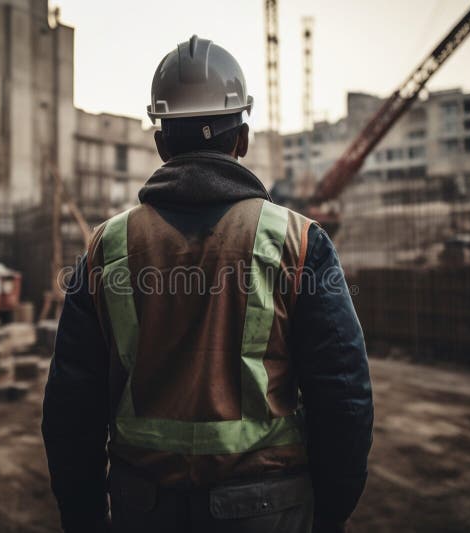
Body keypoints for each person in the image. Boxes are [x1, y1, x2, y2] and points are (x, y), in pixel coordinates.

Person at [42, 35, 373, 533]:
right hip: (269, 511)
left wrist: (85, 517)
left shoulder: (106, 248)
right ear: (242, 139)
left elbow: (71, 410)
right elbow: (343, 397)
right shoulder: (298, 242)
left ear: (159, 144)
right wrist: (330, 512)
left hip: (142, 509)